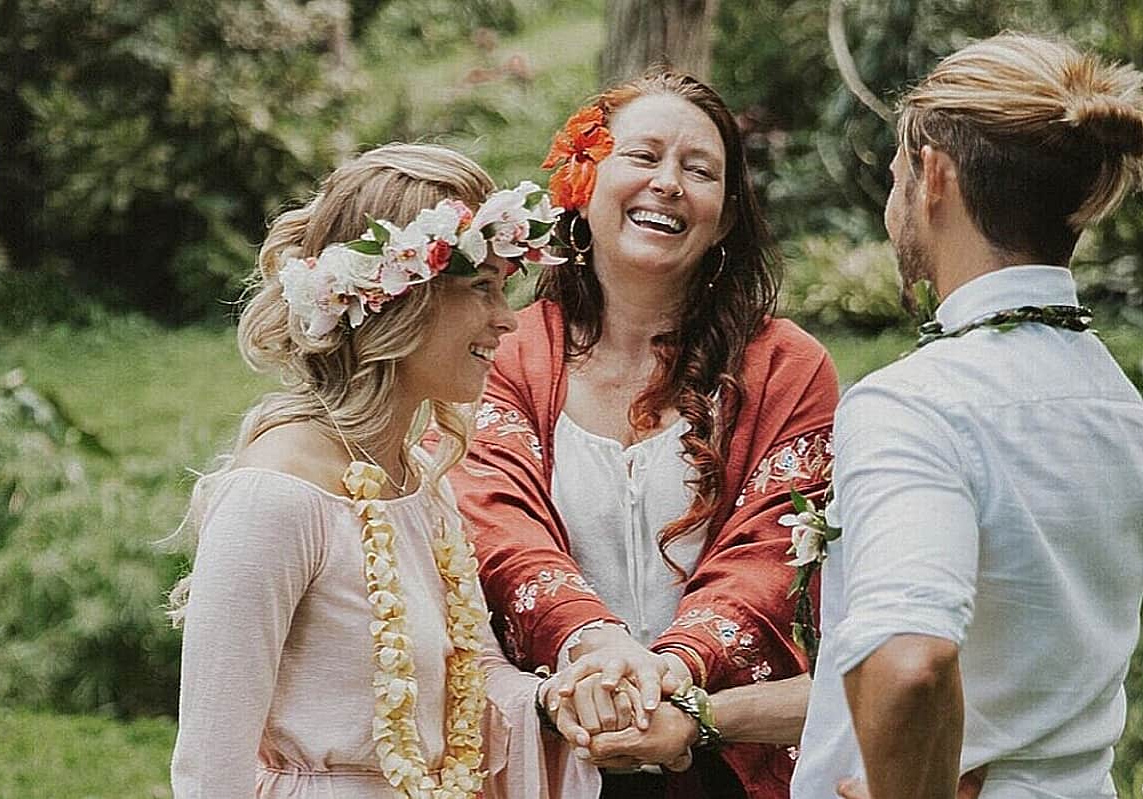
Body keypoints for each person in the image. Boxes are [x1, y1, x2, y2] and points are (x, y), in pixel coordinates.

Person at [448, 70, 839, 798]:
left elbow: (766, 556)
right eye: (644, 156)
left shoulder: (788, 366)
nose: (669, 183)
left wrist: (671, 670)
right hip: (550, 743)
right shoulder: (506, 351)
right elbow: (496, 523)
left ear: (724, 218)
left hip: (722, 751)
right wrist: (595, 645)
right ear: (580, 181)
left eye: (699, 170)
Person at [167, 143, 599, 799]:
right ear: (396, 299)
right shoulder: (275, 495)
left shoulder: (418, 476)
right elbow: (209, 771)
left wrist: (552, 702)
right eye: (481, 288)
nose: (506, 319)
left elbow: (470, 671)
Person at [792, 33, 1143, 799]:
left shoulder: (914, 405)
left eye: (893, 180)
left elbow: (910, 662)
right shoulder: (1121, 402)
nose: (892, 212)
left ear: (933, 177)